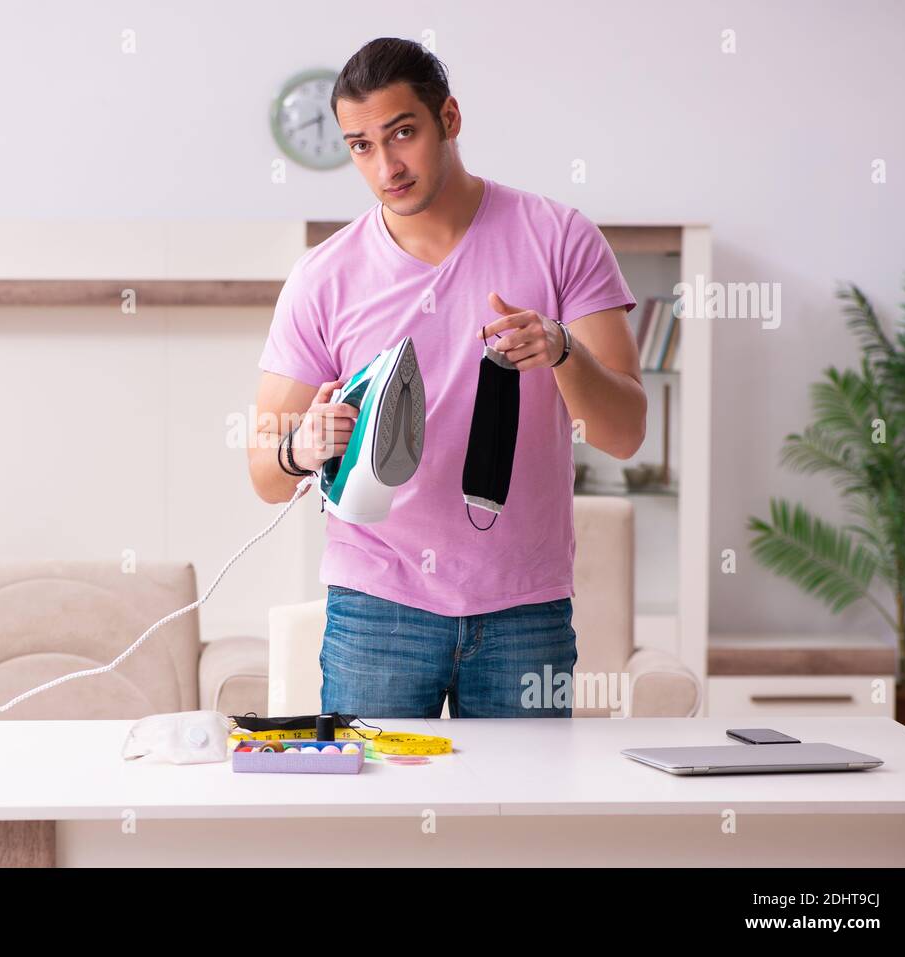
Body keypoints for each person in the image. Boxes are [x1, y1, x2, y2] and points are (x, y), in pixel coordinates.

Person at [248, 37, 644, 719]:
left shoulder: (560, 238)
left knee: (522, 820)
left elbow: (626, 432)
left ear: (449, 119)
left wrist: (562, 351)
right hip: (377, 609)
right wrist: (301, 446)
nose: (386, 166)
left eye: (402, 133)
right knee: (372, 820)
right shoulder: (324, 276)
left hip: (525, 609)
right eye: (361, 146)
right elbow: (263, 472)